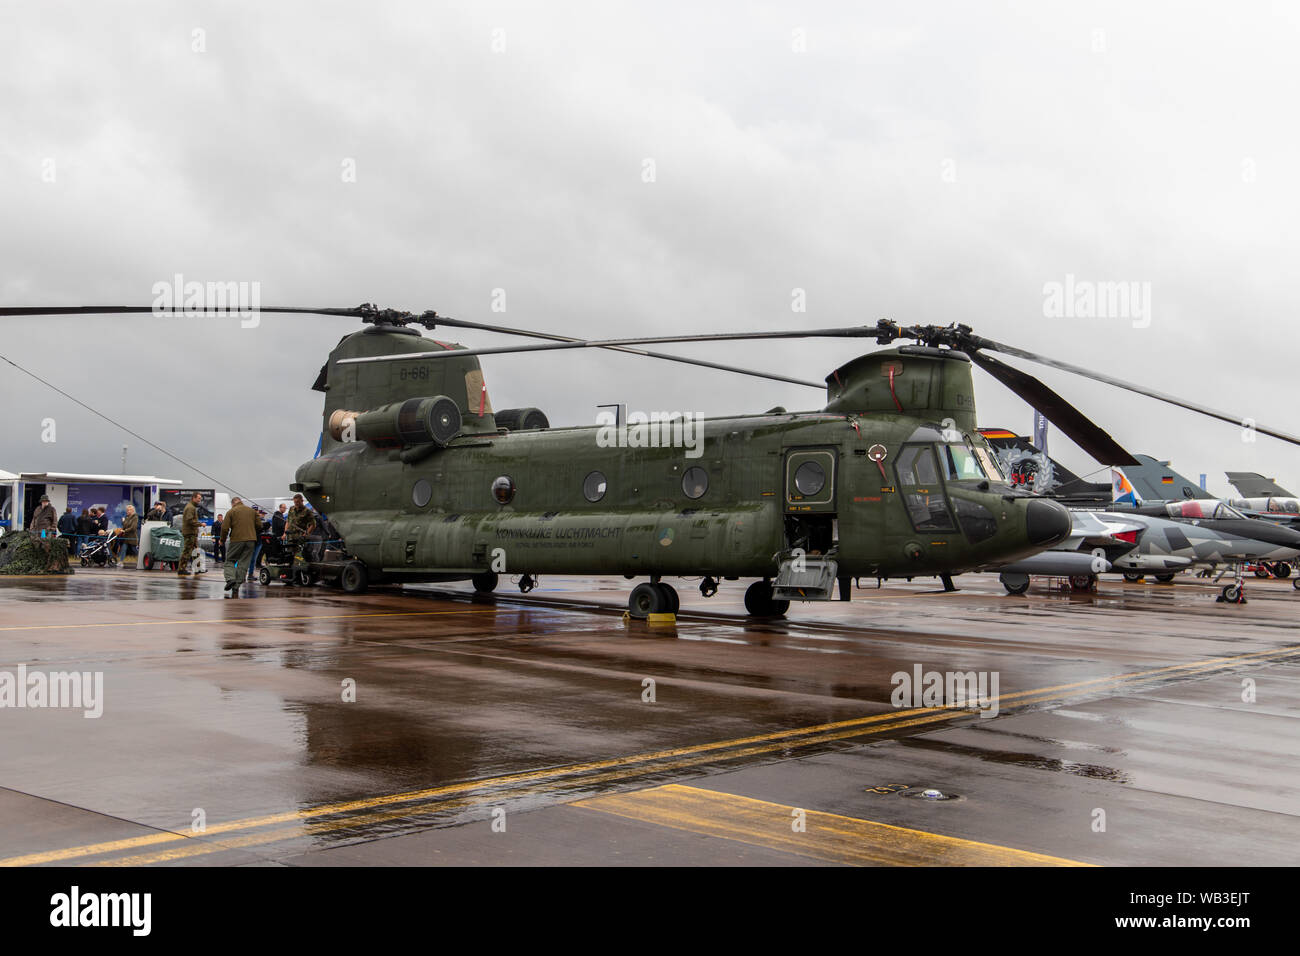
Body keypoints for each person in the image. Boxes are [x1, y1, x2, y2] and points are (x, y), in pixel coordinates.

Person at [220, 496, 259, 597]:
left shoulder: (231, 511)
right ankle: (236, 586)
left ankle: (230, 579)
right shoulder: (252, 511)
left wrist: (222, 540)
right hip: (251, 540)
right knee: (243, 563)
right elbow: (259, 526)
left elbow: (224, 528)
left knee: (230, 560)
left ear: (233, 503)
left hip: (237, 540)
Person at [178, 492, 202, 576]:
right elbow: (189, 520)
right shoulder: (190, 508)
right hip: (189, 533)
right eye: (198, 498)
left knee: (195, 551)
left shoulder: (192, 507)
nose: (200, 500)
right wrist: (200, 524)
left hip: (192, 533)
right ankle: (181, 569)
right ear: (194, 498)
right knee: (187, 551)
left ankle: (197, 568)